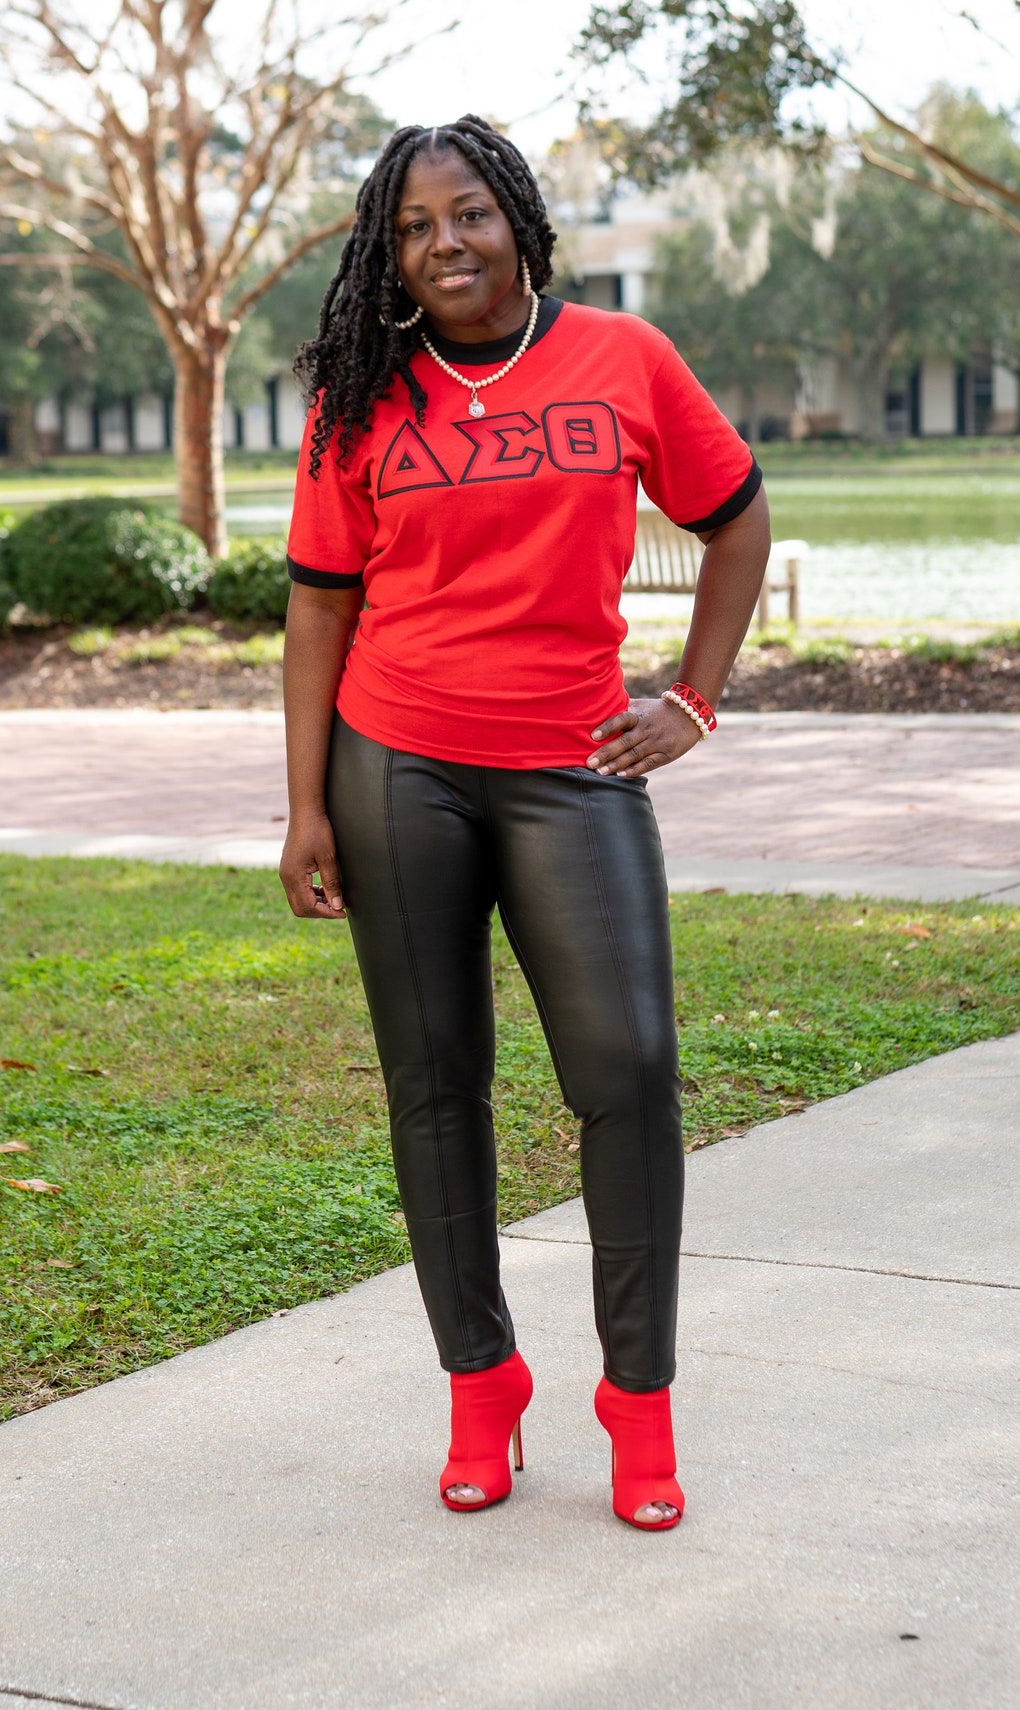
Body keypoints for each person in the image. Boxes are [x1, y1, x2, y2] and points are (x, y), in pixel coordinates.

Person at [279, 116, 770, 1530]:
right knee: (435, 1086)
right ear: (389, 252)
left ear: (520, 223)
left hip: (575, 765)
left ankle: (638, 1401)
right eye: (415, 226)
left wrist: (693, 698)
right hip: (396, 768)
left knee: (630, 1071)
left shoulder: (625, 357)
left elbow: (735, 519)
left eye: (471, 213)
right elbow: (317, 606)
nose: (447, 243)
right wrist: (305, 803)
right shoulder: (363, 396)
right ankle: (480, 1382)